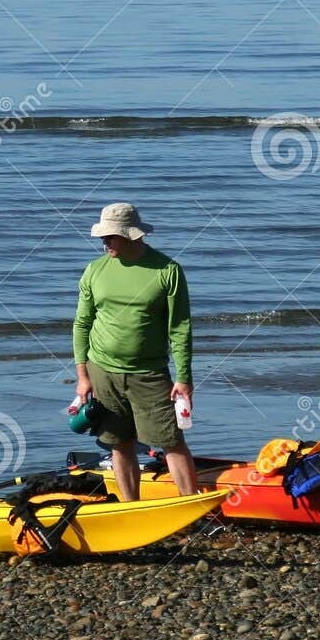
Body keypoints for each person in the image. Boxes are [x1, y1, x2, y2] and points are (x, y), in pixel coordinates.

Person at [72, 202, 198, 502]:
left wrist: (184, 377)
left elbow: (180, 327)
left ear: (131, 235)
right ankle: (130, 507)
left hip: (149, 373)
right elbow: (81, 323)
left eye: (110, 236)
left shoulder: (167, 270)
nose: (104, 242)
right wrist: (82, 375)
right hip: (102, 370)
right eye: (103, 236)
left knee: (172, 441)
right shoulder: (94, 270)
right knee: (119, 443)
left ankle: (193, 508)